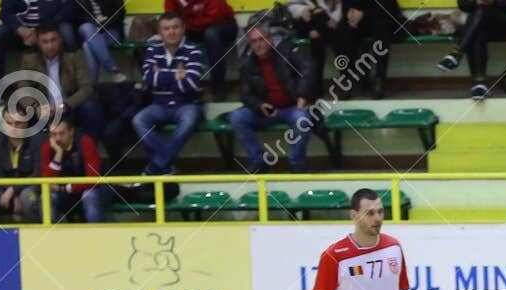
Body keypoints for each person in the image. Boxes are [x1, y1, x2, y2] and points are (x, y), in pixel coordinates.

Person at [231, 20, 315, 173]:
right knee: (237, 117)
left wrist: (303, 96)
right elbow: (246, 95)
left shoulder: (287, 52)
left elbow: (308, 69)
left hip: (293, 107)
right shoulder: (247, 64)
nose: (258, 44)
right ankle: (260, 162)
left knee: (302, 118)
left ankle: (297, 164)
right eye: (254, 41)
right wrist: (259, 105)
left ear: (270, 40)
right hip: (266, 111)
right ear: (250, 45)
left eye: (261, 39)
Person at [132, 11, 206, 176]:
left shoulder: (194, 51)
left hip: (188, 104)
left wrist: (161, 74)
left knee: (189, 119)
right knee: (139, 120)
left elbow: (192, 84)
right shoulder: (152, 50)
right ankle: (167, 165)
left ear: (183, 29)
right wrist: (176, 75)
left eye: (175, 27)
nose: (171, 32)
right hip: (160, 104)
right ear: (159, 32)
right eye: (166, 29)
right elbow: (149, 79)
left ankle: (157, 165)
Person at [19, 22, 103, 141]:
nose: (50, 45)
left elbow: (87, 87)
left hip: (69, 108)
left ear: (60, 39)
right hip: (42, 110)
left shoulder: (74, 54)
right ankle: (30, 156)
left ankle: (90, 151)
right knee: (17, 113)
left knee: (90, 108)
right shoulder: (29, 57)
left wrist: (64, 106)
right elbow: (23, 88)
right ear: (38, 42)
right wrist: (36, 107)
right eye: (45, 41)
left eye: (53, 40)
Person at [0, 0, 79, 103]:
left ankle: (72, 89)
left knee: (67, 33)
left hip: (51, 24)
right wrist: (20, 29)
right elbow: (4, 12)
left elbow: (69, 8)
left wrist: (42, 30)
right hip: (20, 29)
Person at [435, 0, 506, 101]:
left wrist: (493, 2)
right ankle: (480, 85)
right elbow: (463, 4)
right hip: (478, 26)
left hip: (503, 26)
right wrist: (476, 2)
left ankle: (456, 54)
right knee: (478, 33)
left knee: (481, 14)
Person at [0, 107, 40, 224]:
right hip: (2, 189)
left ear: (26, 123)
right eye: (9, 123)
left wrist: (14, 190)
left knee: (28, 199)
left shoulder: (37, 141)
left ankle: (38, 236)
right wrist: (10, 193)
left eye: (18, 123)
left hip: (29, 187)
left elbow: (38, 173)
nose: (13, 128)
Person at [36, 110, 102, 221]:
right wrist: (58, 154)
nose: (57, 139)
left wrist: (66, 188)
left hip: (89, 190)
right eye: (53, 134)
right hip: (63, 194)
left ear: (71, 132)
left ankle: (95, 235)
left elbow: (93, 179)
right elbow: (46, 182)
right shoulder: (48, 146)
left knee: (90, 196)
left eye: (61, 133)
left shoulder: (85, 142)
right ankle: (52, 235)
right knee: (46, 197)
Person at [163, 0, 237, 96]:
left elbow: (214, 18)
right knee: (174, 34)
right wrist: (182, 27)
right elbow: (171, 19)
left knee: (211, 35)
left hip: (222, 24)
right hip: (192, 27)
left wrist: (186, 25)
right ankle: (180, 87)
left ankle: (219, 87)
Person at [334, 0, 402, 98]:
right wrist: (350, 13)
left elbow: (389, 6)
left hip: (381, 16)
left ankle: (379, 80)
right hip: (359, 19)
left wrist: (363, 13)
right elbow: (347, 4)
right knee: (342, 30)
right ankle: (346, 78)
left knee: (381, 29)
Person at [75, 0, 128, 85]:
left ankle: (92, 87)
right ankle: (112, 68)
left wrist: (104, 22)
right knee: (86, 27)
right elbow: (78, 18)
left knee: (87, 45)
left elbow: (121, 12)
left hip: (110, 32)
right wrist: (94, 21)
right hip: (89, 31)